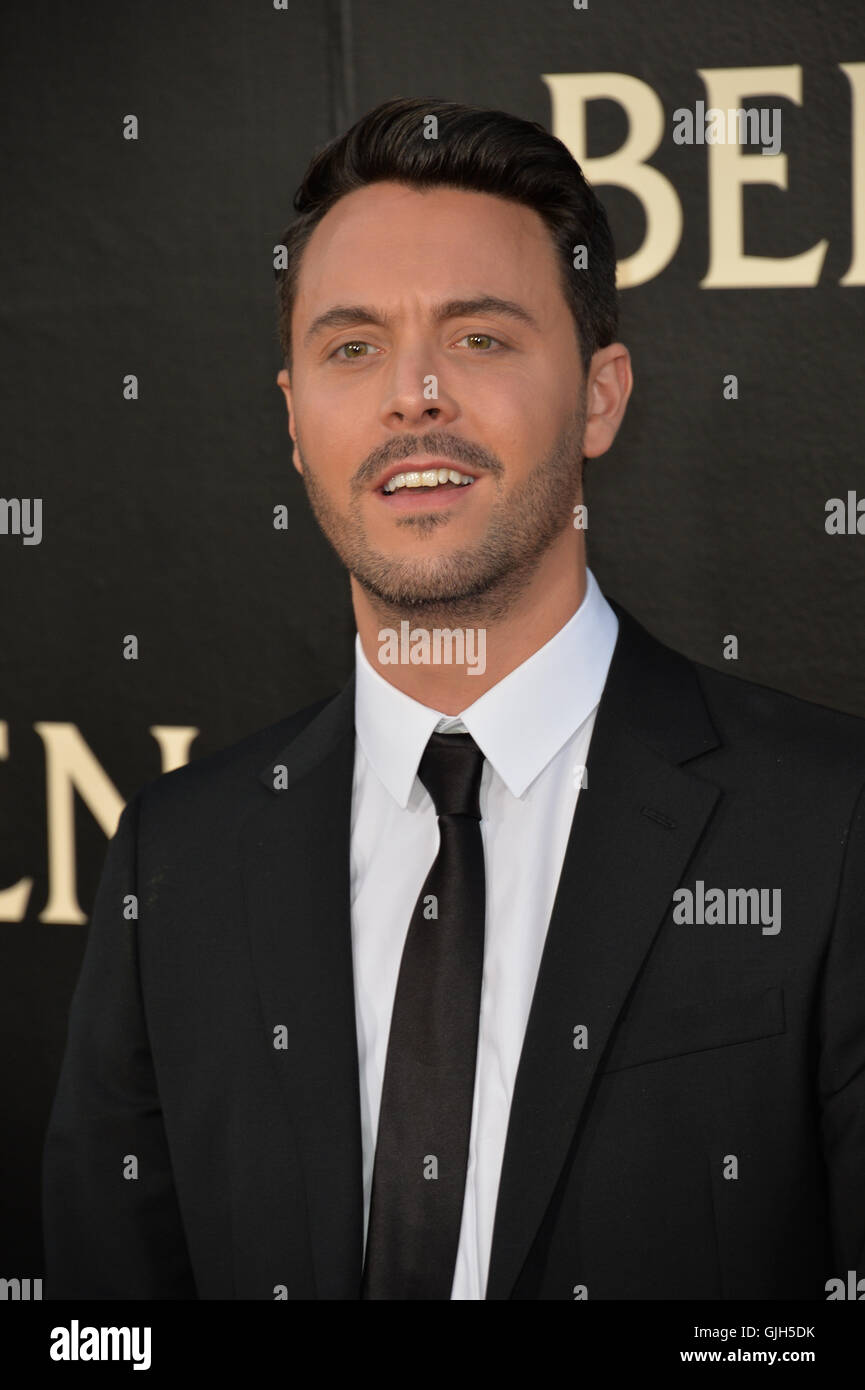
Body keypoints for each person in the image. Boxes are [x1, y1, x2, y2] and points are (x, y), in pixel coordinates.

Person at [43, 96, 865, 1301]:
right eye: (352, 346)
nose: (412, 394)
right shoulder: (178, 858)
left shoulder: (830, 824)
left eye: (478, 338)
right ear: (292, 420)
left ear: (598, 394)